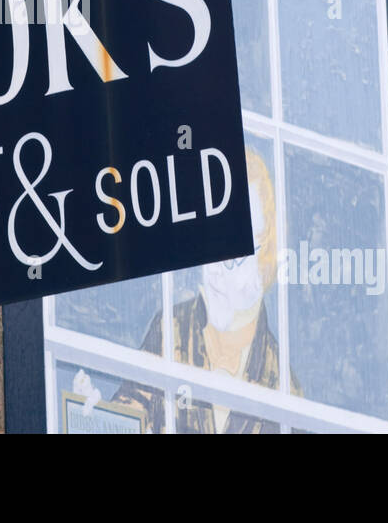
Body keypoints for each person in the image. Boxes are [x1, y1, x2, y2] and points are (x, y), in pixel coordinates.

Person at [113, 145, 291, 433]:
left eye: (233, 253)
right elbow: (126, 414)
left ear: (265, 257)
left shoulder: (279, 380)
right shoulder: (171, 331)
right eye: (209, 248)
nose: (214, 272)